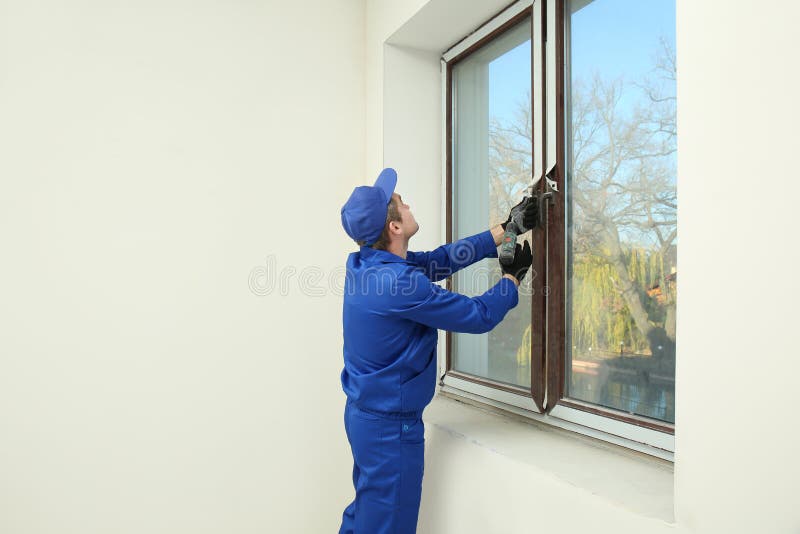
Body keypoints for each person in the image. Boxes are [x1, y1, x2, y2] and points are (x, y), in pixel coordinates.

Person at [338, 168, 537, 534]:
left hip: (366, 419)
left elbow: (438, 261)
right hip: (389, 432)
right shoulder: (397, 284)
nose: (407, 202)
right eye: (399, 202)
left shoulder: (366, 265)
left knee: (366, 518)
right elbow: (477, 316)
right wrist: (511, 279)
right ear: (394, 227)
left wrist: (507, 229)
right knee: (389, 527)